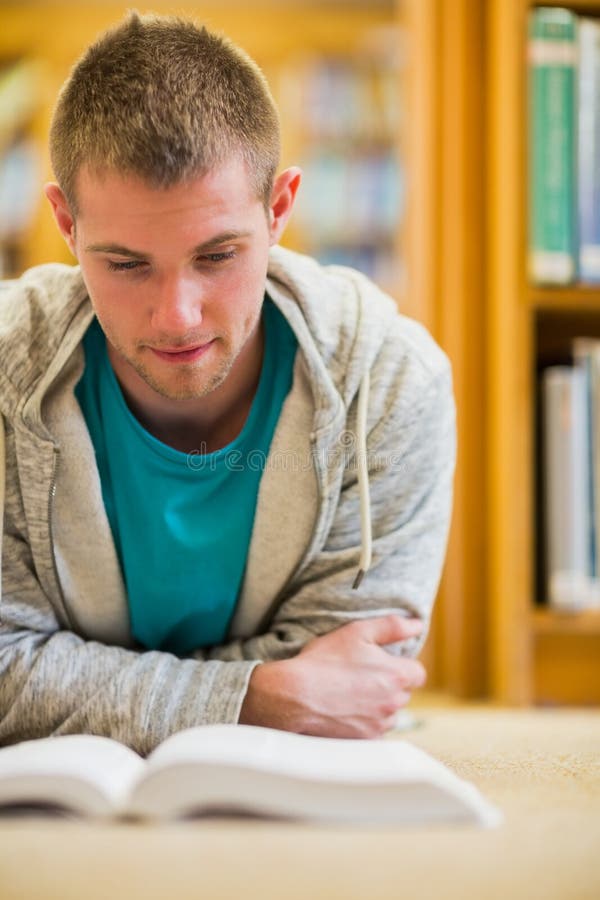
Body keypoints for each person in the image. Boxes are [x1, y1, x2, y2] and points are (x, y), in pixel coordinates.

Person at [0, 12, 456, 755]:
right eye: (126, 263)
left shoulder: (393, 381)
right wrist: (262, 694)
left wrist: (73, 677)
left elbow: (359, 679)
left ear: (279, 209)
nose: (177, 316)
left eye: (217, 256)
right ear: (64, 222)